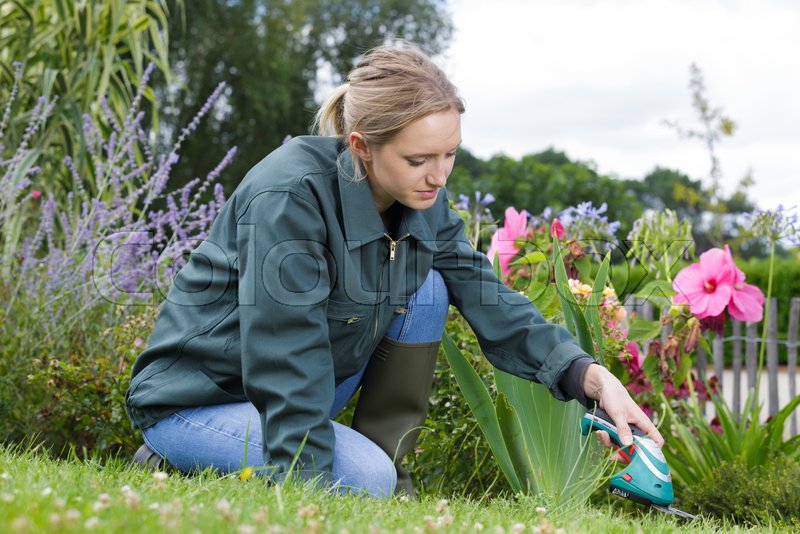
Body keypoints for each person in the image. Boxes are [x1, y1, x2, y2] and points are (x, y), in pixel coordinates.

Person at [126, 42, 663, 499]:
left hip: (305, 389)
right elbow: (285, 355)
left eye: (450, 154)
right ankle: (172, 458)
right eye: (418, 160)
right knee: (363, 478)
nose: (438, 175)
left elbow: (489, 298)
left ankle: (387, 482)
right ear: (361, 145)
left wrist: (593, 379)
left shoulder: (424, 202)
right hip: (202, 397)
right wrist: (309, 496)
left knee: (430, 285)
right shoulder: (287, 196)